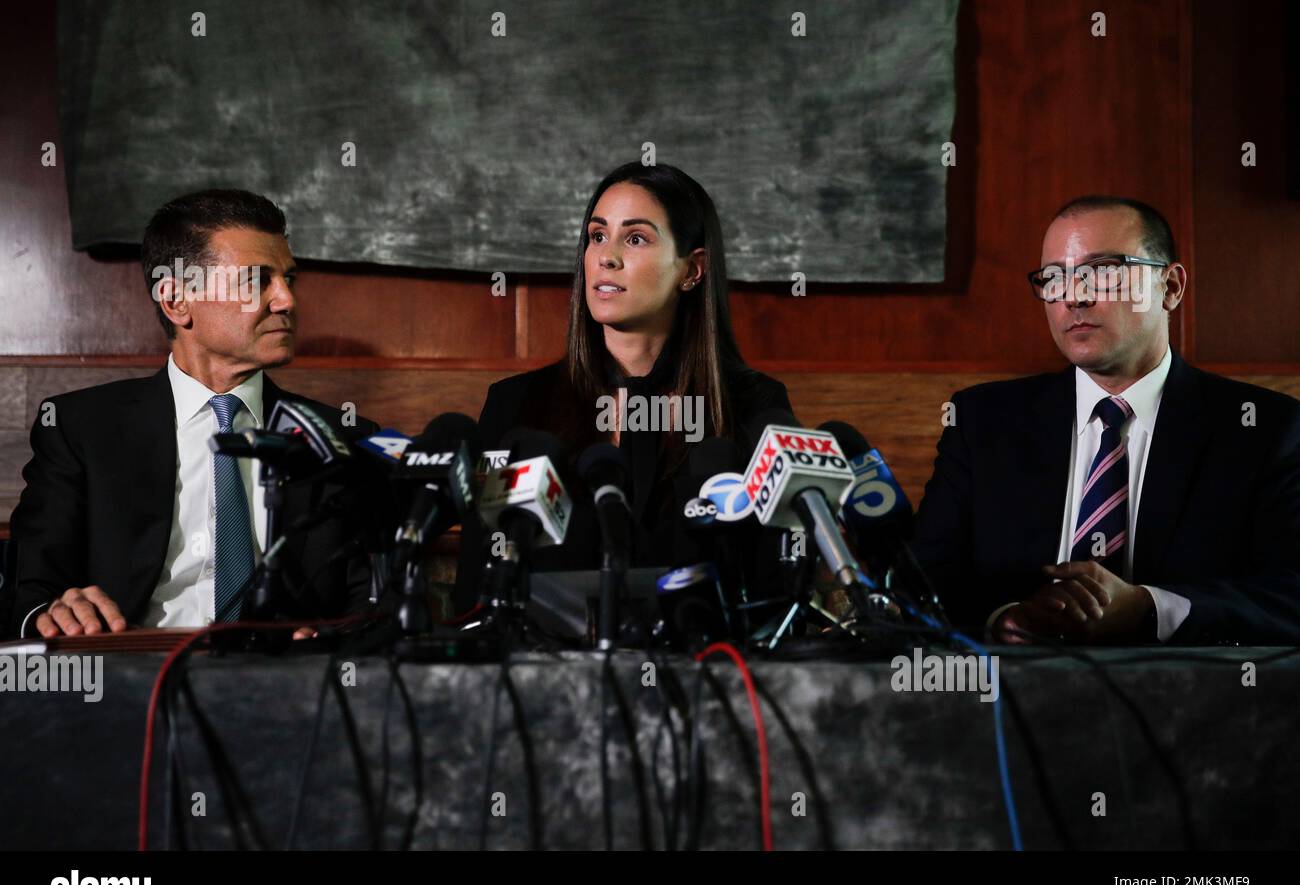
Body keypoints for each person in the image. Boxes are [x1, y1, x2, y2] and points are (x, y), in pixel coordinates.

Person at [913, 195, 1300, 646]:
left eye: (1103, 271)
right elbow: (921, 580)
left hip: (1191, 700)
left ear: (1170, 287)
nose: (1074, 295)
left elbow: (1290, 595)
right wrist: (1004, 619)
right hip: (1010, 696)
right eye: (1054, 278)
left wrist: (1148, 609)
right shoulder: (983, 422)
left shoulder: (1264, 430)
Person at [10, 189, 375, 639]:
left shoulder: (341, 437)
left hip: (286, 687)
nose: (286, 300)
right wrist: (56, 613)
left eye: (289, 280)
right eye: (255, 280)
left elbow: (368, 603)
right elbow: (31, 592)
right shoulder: (80, 429)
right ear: (177, 301)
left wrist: (328, 642)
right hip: (129, 678)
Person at [453, 162, 794, 613]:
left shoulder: (754, 407)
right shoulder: (515, 406)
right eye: (597, 236)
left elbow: (777, 595)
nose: (606, 256)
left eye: (635, 238)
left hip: (704, 671)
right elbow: (476, 589)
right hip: (550, 674)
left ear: (692, 269)